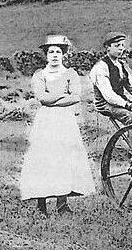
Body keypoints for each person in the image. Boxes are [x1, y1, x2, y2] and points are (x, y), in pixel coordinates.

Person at [19, 35, 95, 215]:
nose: (54, 55)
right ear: (46, 55)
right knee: (44, 158)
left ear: (63, 54)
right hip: (45, 120)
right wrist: (62, 95)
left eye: (58, 52)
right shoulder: (40, 75)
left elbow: (76, 97)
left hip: (65, 120)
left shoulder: (71, 74)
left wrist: (54, 98)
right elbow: (42, 98)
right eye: (51, 51)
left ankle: (62, 203)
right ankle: (41, 205)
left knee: (64, 158)